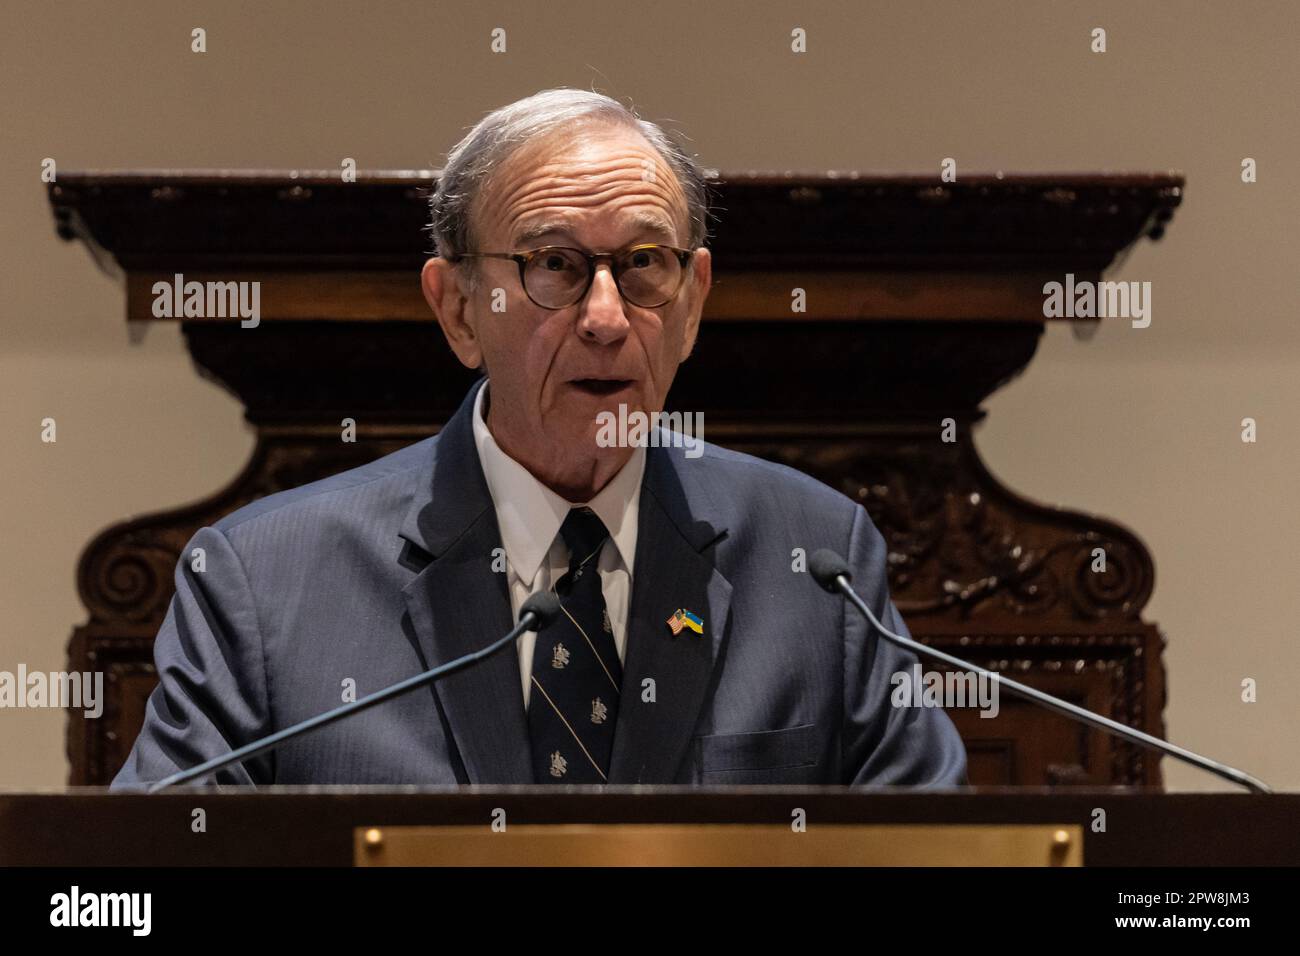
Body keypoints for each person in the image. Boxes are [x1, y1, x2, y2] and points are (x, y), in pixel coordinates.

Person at [113, 88, 967, 787]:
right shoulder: (263, 587)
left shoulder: (818, 562)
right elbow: (146, 884)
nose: (605, 317)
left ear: (694, 300)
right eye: (553, 265)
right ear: (457, 310)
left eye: (643, 264)